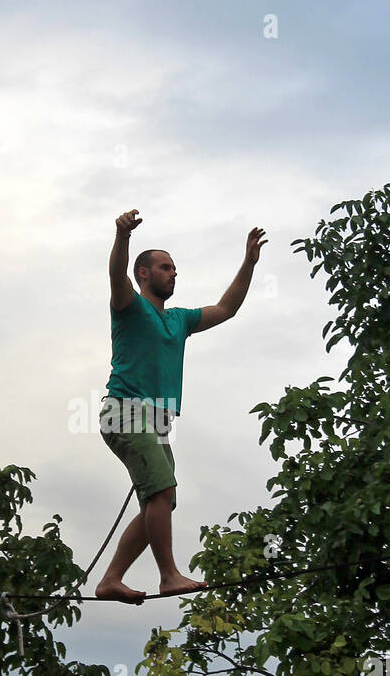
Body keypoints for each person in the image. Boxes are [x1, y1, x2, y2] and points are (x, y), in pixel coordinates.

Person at [96, 208, 268, 602]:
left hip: (156, 423)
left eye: (175, 268)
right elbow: (115, 276)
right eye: (165, 267)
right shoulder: (129, 307)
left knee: (163, 500)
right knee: (161, 492)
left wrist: (249, 264)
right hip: (125, 412)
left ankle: (111, 579)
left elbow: (227, 309)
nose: (173, 273)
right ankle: (168, 574)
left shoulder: (179, 319)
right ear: (144, 274)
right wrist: (122, 237)